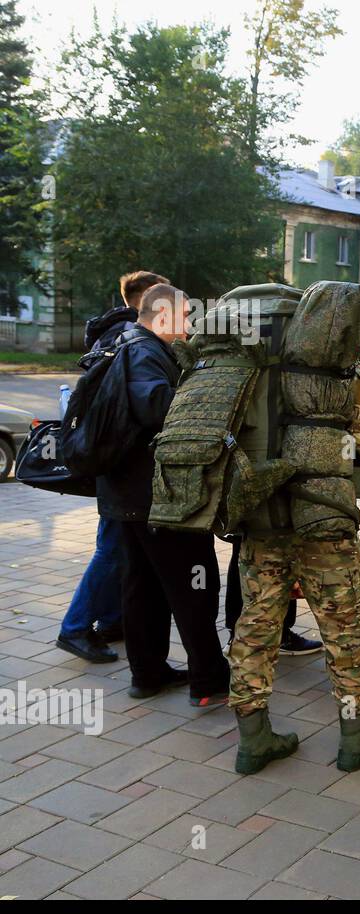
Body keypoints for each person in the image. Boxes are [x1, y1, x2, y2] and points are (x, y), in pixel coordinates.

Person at [229, 297, 360, 775]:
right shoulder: (357, 376)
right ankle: (354, 739)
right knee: (342, 627)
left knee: (256, 625)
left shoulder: (259, 371)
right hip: (327, 524)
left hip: (263, 516)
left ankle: (253, 740)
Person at [101, 285, 230, 704]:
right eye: (184, 315)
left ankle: (148, 672)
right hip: (160, 495)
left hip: (131, 494)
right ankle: (208, 681)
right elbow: (157, 407)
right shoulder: (143, 352)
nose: (190, 323)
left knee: (143, 585)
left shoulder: (127, 344)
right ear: (161, 316)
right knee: (194, 584)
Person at [56, 271, 169, 665]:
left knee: (119, 548)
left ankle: (111, 619)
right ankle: (75, 628)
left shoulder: (113, 333)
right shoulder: (130, 339)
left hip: (114, 461)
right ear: (145, 302)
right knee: (112, 548)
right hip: (122, 464)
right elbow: (139, 405)